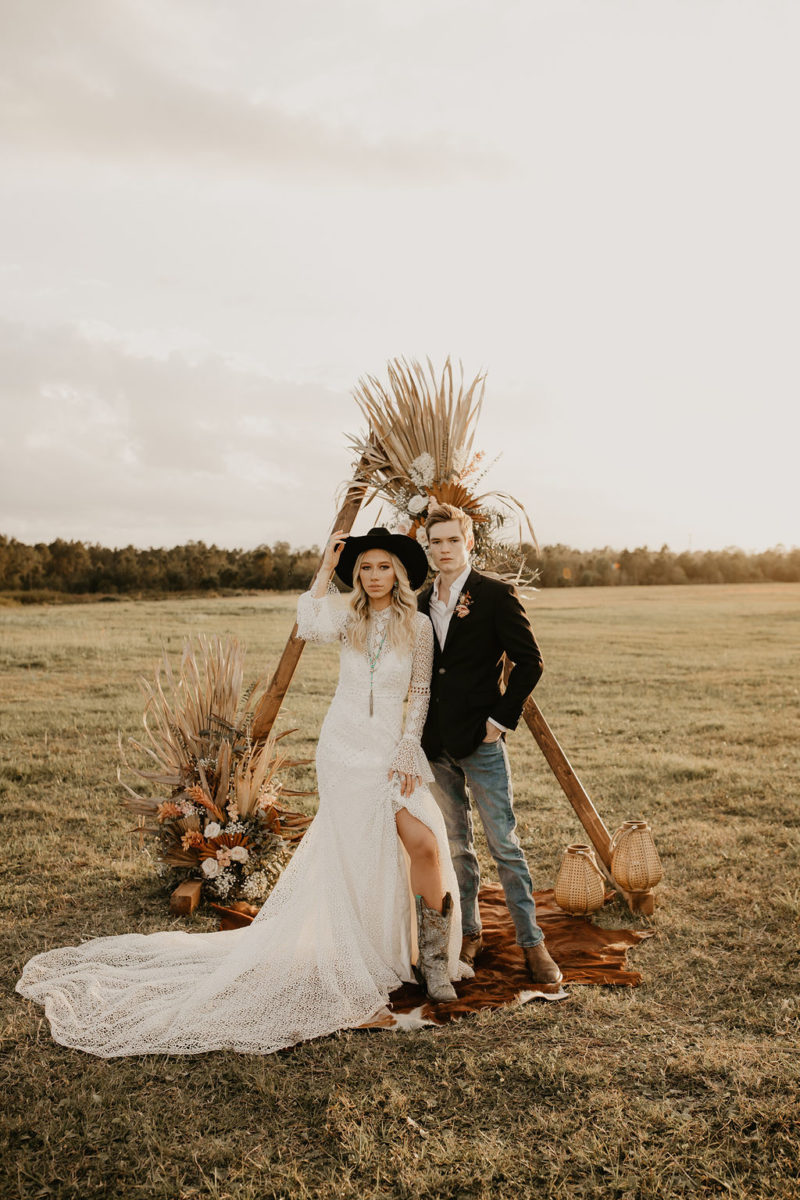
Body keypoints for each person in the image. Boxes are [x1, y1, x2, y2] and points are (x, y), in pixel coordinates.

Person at [15, 526, 470, 1058]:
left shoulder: (415, 626)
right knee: (355, 851)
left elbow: (419, 693)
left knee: (423, 843)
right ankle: (365, 948)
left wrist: (407, 746)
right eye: (364, 568)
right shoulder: (347, 619)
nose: (373, 578)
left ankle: (434, 963)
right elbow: (307, 619)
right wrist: (327, 565)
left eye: (382, 567)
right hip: (342, 748)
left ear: (399, 572)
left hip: (390, 752)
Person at [418, 502, 563, 985]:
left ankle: (531, 941)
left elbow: (530, 662)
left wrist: (500, 720)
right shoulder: (418, 601)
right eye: (435, 541)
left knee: (505, 844)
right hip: (433, 743)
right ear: (427, 545)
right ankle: (470, 933)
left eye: (452, 540)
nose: (444, 549)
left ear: (469, 542)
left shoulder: (496, 595)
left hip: (480, 740)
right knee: (455, 845)